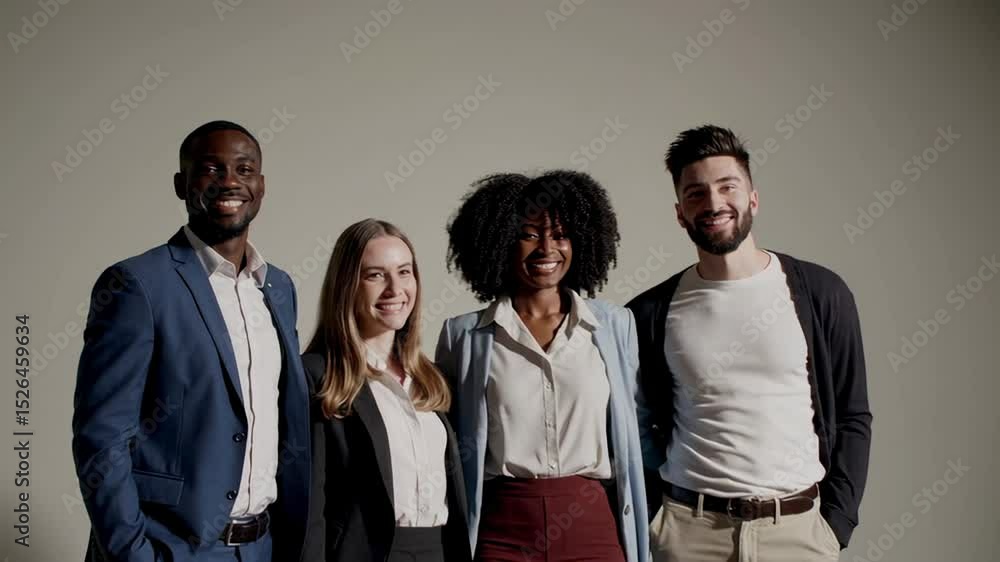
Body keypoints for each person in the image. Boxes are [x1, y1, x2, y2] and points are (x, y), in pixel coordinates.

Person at [627, 124, 872, 561]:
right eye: (696, 193)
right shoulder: (650, 312)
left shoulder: (820, 293)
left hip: (797, 533)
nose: (713, 203)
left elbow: (853, 415)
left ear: (753, 198)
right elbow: (634, 423)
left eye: (727, 187)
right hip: (688, 533)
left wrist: (836, 524)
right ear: (680, 212)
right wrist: (653, 518)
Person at [72, 121, 311, 561]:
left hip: (263, 547)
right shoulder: (137, 285)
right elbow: (101, 438)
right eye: (211, 169)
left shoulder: (278, 289)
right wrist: (134, 554)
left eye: (244, 169)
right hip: (173, 548)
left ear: (261, 185)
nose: (230, 182)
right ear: (182, 185)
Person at [435, 170, 649, 562]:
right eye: (529, 234)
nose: (547, 249)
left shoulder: (615, 327)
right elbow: (447, 447)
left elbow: (636, 427)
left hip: (591, 523)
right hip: (502, 528)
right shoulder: (463, 336)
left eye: (561, 234)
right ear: (500, 241)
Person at [300, 218, 472, 562]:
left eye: (404, 272)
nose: (395, 288)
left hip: (440, 551)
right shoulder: (319, 376)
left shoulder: (432, 379)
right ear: (347, 285)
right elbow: (311, 507)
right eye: (375, 275)